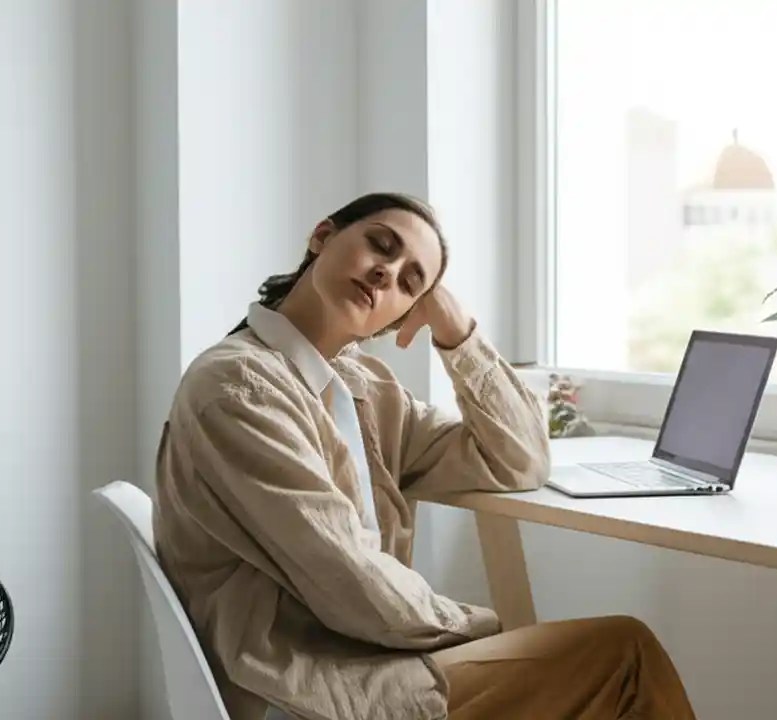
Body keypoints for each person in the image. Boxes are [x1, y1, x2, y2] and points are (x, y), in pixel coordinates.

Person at [153, 192, 696, 720]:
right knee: (623, 655)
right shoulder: (241, 386)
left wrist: (456, 332)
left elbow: (517, 460)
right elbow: (351, 583)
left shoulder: (361, 388)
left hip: (361, 660)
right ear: (322, 237)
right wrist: (483, 628)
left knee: (598, 664)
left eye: (412, 281)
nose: (387, 273)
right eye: (380, 245)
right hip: (308, 687)